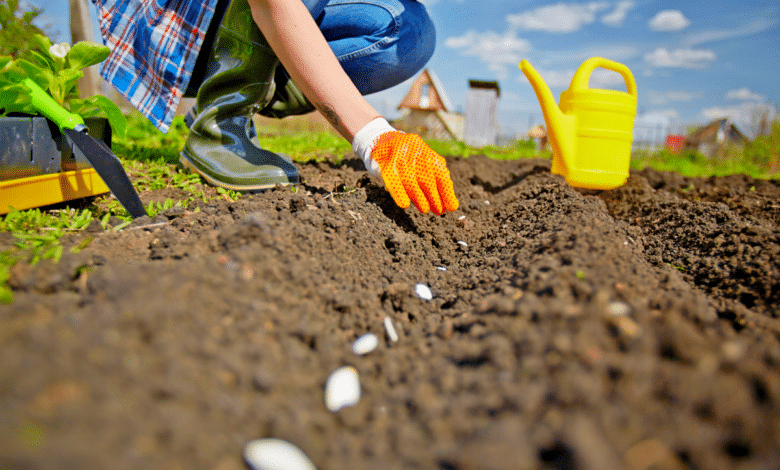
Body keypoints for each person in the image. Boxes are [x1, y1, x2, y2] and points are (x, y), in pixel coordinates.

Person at [93, 0, 459, 215]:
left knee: (410, 32)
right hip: (184, 27)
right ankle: (219, 122)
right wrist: (372, 134)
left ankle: (257, 81)